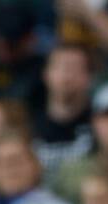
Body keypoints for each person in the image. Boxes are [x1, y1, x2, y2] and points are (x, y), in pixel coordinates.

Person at [30, 43, 96, 176]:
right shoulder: (27, 125)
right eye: (60, 67)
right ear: (46, 74)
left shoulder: (101, 125)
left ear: (90, 77)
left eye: (74, 68)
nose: (66, 75)